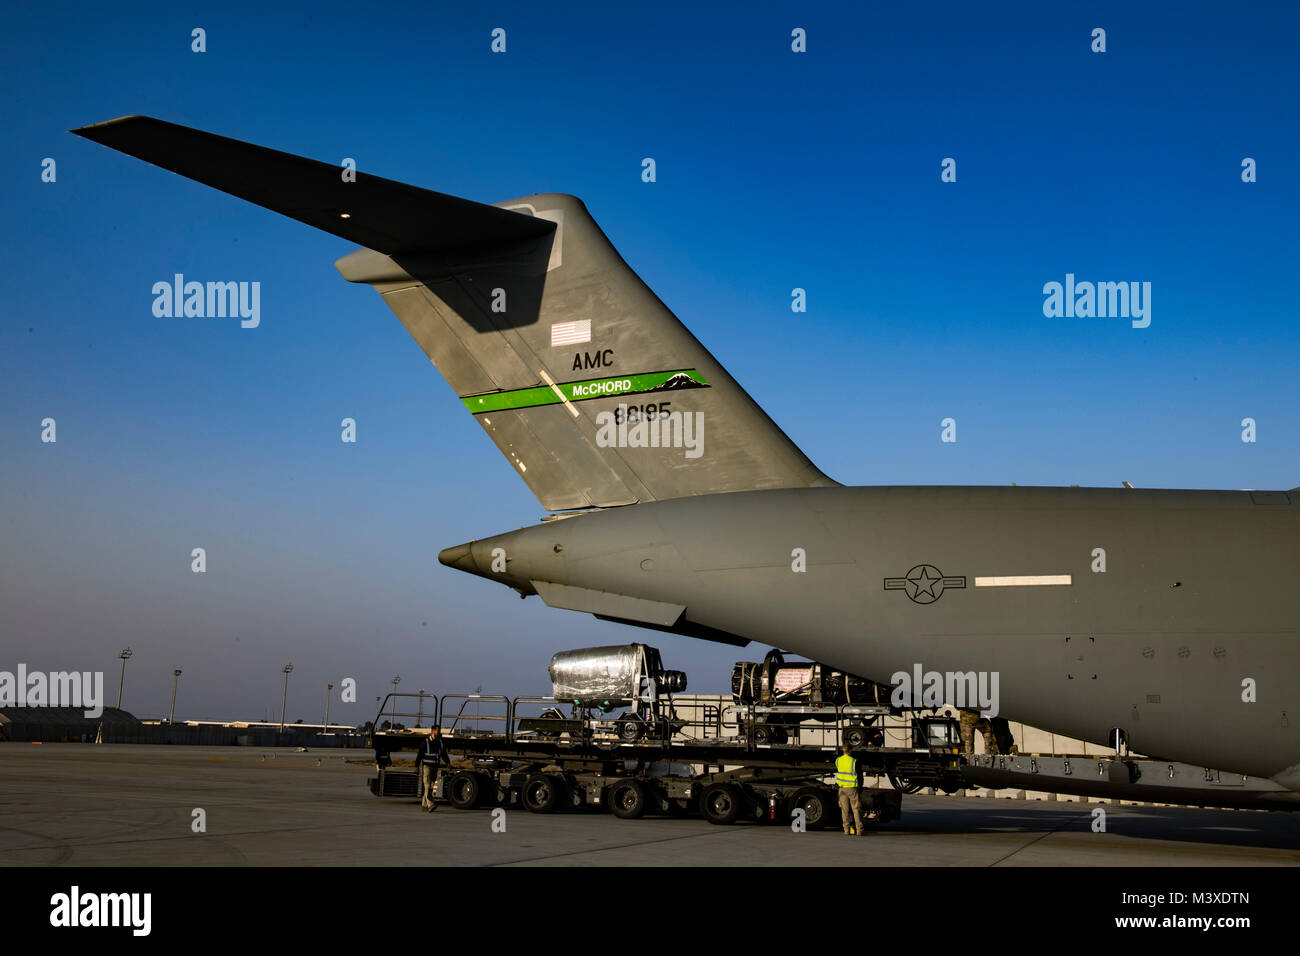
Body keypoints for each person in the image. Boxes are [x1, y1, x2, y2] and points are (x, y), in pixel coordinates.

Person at [416, 726, 451, 812]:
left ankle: (424, 805)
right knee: (427, 786)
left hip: (435, 767)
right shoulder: (425, 742)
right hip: (427, 767)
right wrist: (416, 766)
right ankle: (431, 805)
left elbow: (443, 754)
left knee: (431, 787)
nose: (438, 732)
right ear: (432, 731)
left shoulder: (440, 743)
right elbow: (420, 754)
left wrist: (448, 763)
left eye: (439, 731)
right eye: (437, 731)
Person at [835, 742, 866, 836]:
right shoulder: (854, 761)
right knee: (856, 809)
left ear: (843, 750)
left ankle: (846, 830)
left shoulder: (838, 760)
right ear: (851, 750)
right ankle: (859, 830)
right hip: (852, 788)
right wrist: (860, 787)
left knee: (844, 810)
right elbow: (860, 776)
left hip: (842, 788)